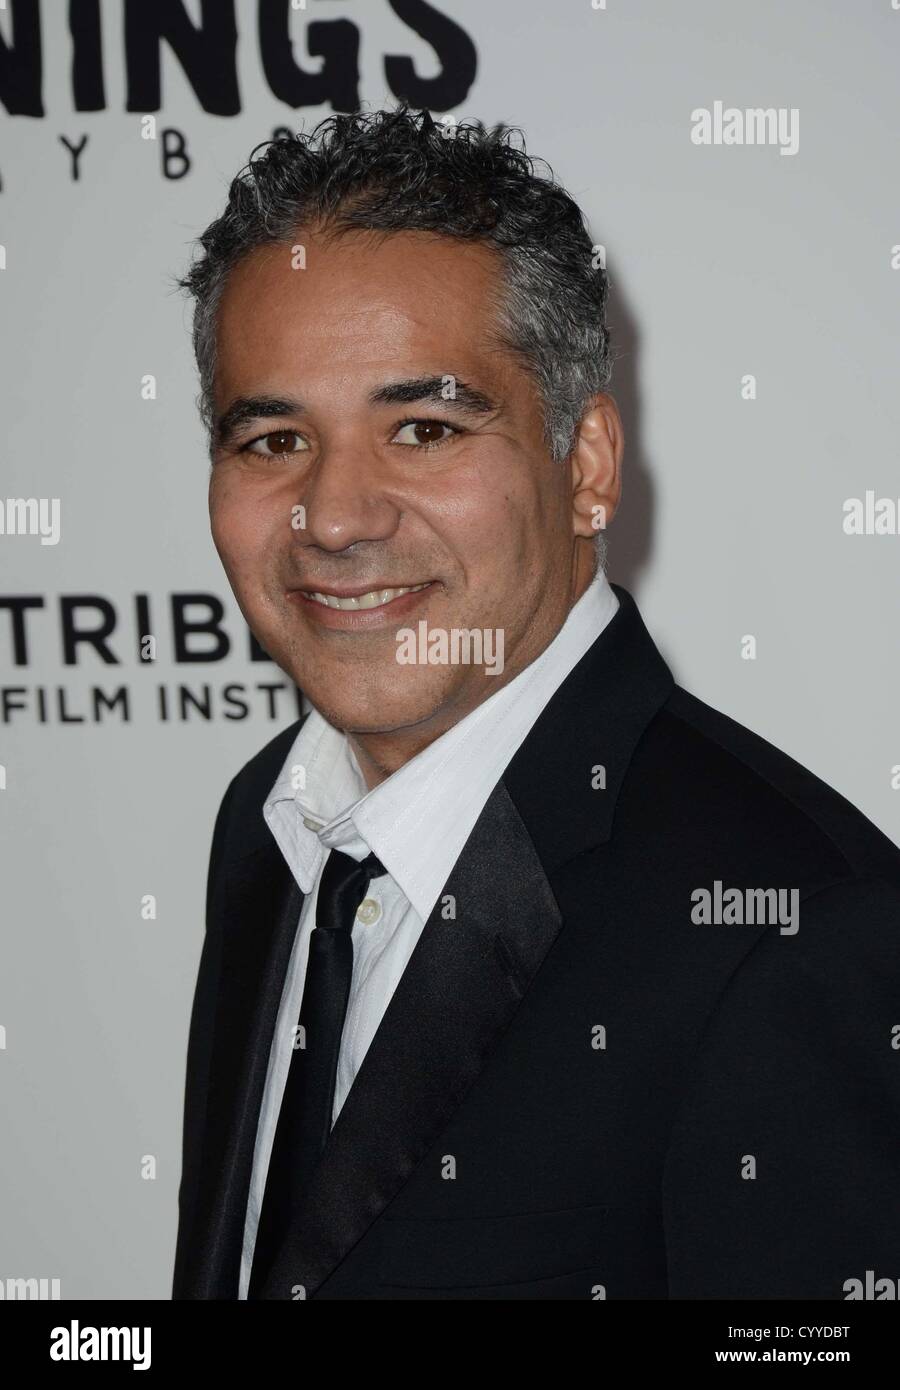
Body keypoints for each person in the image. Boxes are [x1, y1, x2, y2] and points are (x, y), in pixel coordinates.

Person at [171, 106, 900, 1300]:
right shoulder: (271, 821)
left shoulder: (794, 931)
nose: (337, 517)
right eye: (272, 441)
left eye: (423, 428)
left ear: (588, 466)